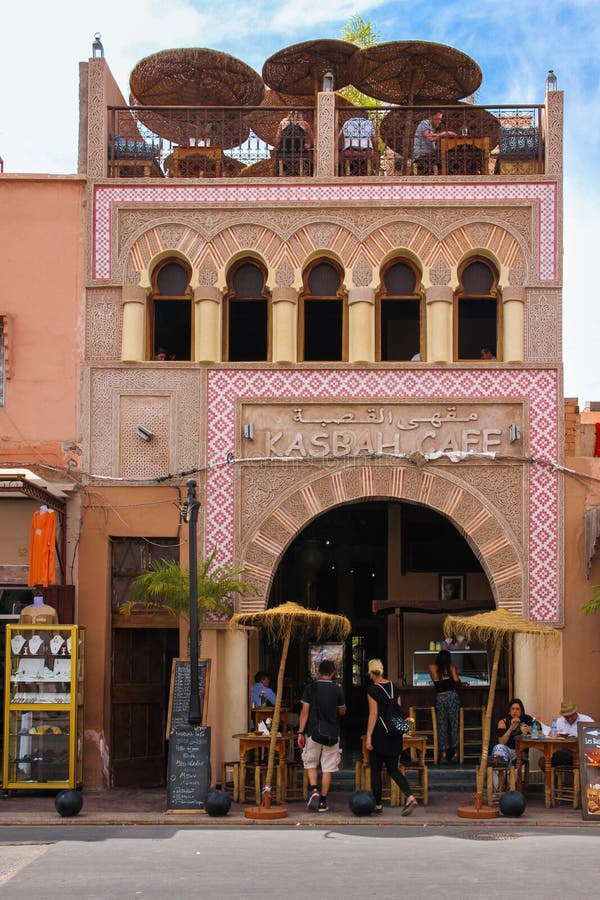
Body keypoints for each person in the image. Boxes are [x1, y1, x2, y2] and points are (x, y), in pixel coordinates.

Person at [365, 658, 418, 815]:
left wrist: (368, 736)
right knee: (393, 769)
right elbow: (398, 709)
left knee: (376, 770)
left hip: (380, 735)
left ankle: (378, 805)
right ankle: (410, 797)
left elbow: (373, 714)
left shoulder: (373, 690)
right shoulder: (394, 687)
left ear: (370, 672)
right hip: (395, 734)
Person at [297, 659, 346, 812]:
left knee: (310, 762)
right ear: (333, 673)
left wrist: (300, 732)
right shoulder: (337, 689)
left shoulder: (310, 688)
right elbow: (342, 711)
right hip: (332, 734)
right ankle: (323, 802)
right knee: (327, 768)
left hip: (313, 732)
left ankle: (314, 790)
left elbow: (304, 712)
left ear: (318, 672)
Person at [428, 649, 461, 763]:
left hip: (440, 697)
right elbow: (456, 680)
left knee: (442, 725)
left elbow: (435, 680)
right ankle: (456, 752)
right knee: (454, 724)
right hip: (452, 696)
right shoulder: (451, 667)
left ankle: (443, 753)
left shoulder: (432, 667)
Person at [540, 699, 593, 770]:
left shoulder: (587, 720)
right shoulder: (559, 721)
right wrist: (551, 734)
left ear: (575, 712)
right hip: (562, 751)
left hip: (581, 753)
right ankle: (554, 780)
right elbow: (552, 735)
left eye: (571, 716)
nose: (569, 719)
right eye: (566, 717)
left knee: (563, 755)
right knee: (543, 761)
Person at [491, 697, 534, 768]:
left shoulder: (527, 719)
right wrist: (511, 727)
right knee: (498, 748)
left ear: (521, 711)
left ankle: (509, 776)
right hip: (506, 751)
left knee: (507, 759)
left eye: (517, 709)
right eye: (513, 709)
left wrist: (529, 729)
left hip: (521, 752)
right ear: (509, 711)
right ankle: (502, 775)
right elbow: (502, 742)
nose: (515, 711)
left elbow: (540, 730)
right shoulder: (503, 722)